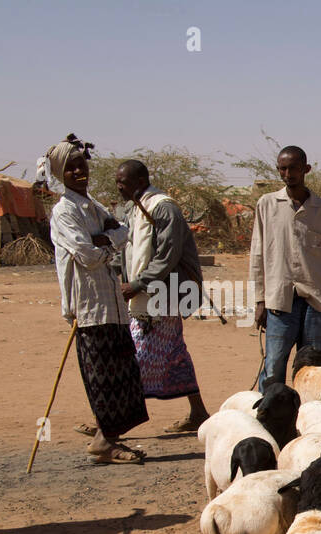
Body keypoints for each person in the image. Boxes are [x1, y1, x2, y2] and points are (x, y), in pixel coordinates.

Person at [45, 136, 148, 463]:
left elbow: (123, 231)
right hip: (88, 306)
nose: (78, 172)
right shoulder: (64, 211)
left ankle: (109, 438)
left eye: (81, 165)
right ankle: (104, 442)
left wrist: (106, 239)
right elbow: (87, 255)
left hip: (112, 303)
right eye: (70, 168)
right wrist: (106, 243)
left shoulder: (93, 205)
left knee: (124, 375)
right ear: (59, 174)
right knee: (103, 377)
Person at [114, 160, 209, 433]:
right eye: (117, 181)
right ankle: (199, 412)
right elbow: (129, 251)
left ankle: (108, 426)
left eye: (124, 182)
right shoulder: (134, 208)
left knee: (136, 356)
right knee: (176, 355)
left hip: (161, 295)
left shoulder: (163, 207)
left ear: (141, 181)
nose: (119, 187)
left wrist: (137, 284)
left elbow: (166, 256)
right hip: (148, 294)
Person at [250, 146, 321, 389]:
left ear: (306, 170)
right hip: (279, 301)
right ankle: (268, 416)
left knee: (312, 370)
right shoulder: (267, 205)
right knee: (274, 366)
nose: (288, 173)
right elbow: (257, 256)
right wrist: (259, 300)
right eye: (283, 168)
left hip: (314, 303)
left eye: (293, 168)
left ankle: (308, 418)